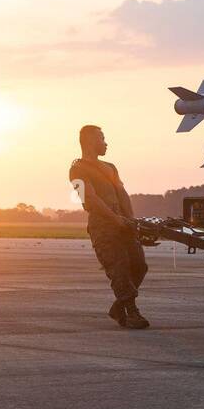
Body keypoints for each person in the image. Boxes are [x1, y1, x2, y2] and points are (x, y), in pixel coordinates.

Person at [70, 125, 150, 329]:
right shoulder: (77, 169)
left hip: (124, 223)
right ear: (89, 141)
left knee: (139, 266)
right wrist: (116, 220)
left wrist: (130, 220)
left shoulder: (110, 167)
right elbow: (90, 199)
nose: (106, 143)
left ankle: (118, 306)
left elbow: (122, 194)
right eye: (102, 138)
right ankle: (132, 312)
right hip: (103, 226)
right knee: (119, 269)